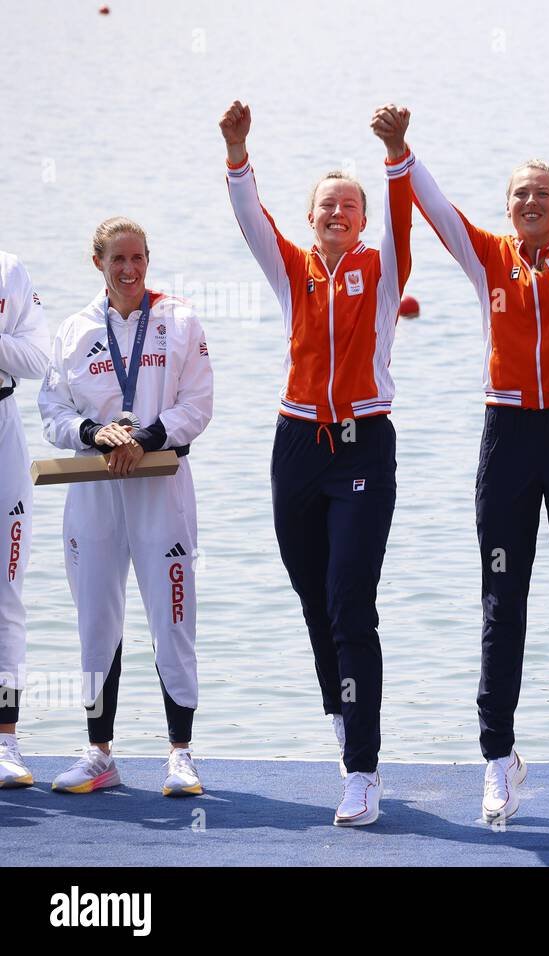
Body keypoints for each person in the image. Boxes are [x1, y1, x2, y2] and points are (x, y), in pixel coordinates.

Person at [405, 79, 549, 824]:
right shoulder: (490, 260)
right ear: (507, 208)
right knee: (502, 603)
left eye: (544, 193)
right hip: (506, 438)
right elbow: (437, 213)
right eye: (520, 195)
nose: (531, 202)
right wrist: (398, 154)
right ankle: (498, 756)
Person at [221, 100, 413, 826]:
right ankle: (342, 713)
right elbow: (250, 219)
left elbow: (404, 221)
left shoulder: (382, 270)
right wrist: (238, 150)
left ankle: (362, 767)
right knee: (312, 600)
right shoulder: (292, 270)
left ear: (362, 220)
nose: (338, 213)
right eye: (327, 206)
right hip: (296, 445)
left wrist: (396, 153)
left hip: (363, 445)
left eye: (350, 206)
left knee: (348, 603)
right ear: (311, 218)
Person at [37, 218, 213, 796]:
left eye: (138, 258)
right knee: (95, 620)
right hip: (94, 492)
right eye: (119, 260)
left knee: (173, 615)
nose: (130, 270)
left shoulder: (179, 320)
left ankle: (181, 753)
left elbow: (199, 403)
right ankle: (98, 752)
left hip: (160, 485)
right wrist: (94, 433)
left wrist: (150, 435)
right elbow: (53, 413)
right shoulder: (74, 330)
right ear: (99, 264)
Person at [0, 252, 51, 788]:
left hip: (3, 431)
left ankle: (5, 739)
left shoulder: (8, 269)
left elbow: (39, 358)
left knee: (6, 595)